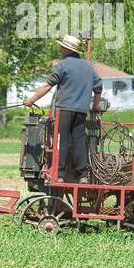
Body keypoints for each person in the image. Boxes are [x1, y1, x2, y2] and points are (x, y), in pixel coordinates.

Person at [22, 35, 102, 183]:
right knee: (79, 141)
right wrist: (95, 106)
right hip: (81, 111)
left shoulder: (62, 65)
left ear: (66, 49)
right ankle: (83, 175)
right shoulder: (88, 67)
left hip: (64, 110)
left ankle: (59, 174)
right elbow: (98, 87)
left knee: (61, 140)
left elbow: (47, 86)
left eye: (61, 47)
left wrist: (31, 100)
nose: (60, 49)